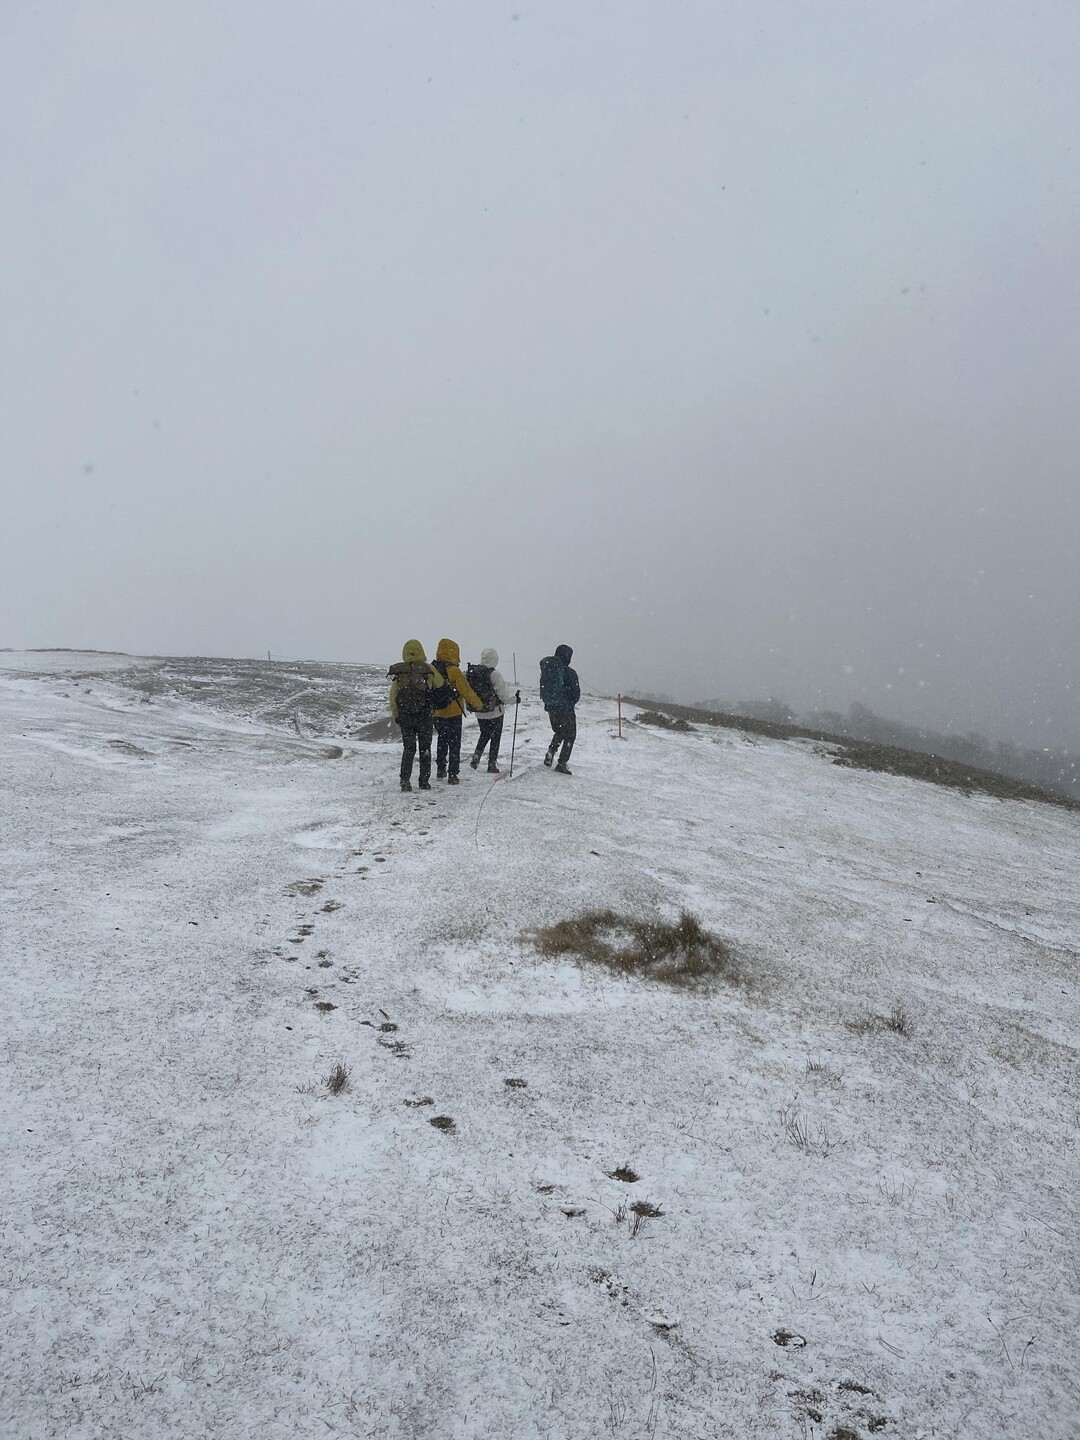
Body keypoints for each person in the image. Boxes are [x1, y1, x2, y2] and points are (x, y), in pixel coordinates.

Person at [388, 640, 445, 791]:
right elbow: (440, 684)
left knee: (409, 748)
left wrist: (396, 714)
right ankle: (424, 781)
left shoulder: (401, 671)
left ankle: (405, 781)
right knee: (425, 748)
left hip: (406, 717)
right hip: (425, 715)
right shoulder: (428, 668)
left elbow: (393, 696)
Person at [432, 638, 483, 784]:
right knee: (454, 744)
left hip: (437, 713)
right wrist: (478, 705)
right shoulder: (454, 671)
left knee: (442, 740)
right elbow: (466, 691)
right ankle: (453, 774)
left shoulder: (433, 669)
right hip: (453, 713)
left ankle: (441, 768)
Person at [466, 648, 518, 774]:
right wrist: (515, 699)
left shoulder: (471, 672)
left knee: (484, 734)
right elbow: (503, 697)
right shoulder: (495, 674)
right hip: (495, 712)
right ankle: (491, 764)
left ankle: (476, 756)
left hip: (479, 711)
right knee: (495, 738)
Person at [539, 643, 580, 774]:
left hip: (551, 707)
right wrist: (570, 701)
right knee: (570, 735)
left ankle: (551, 751)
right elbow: (576, 694)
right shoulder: (570, 673)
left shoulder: (549, 669)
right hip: (566, 709)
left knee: (561, 731)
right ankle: (561, 763)